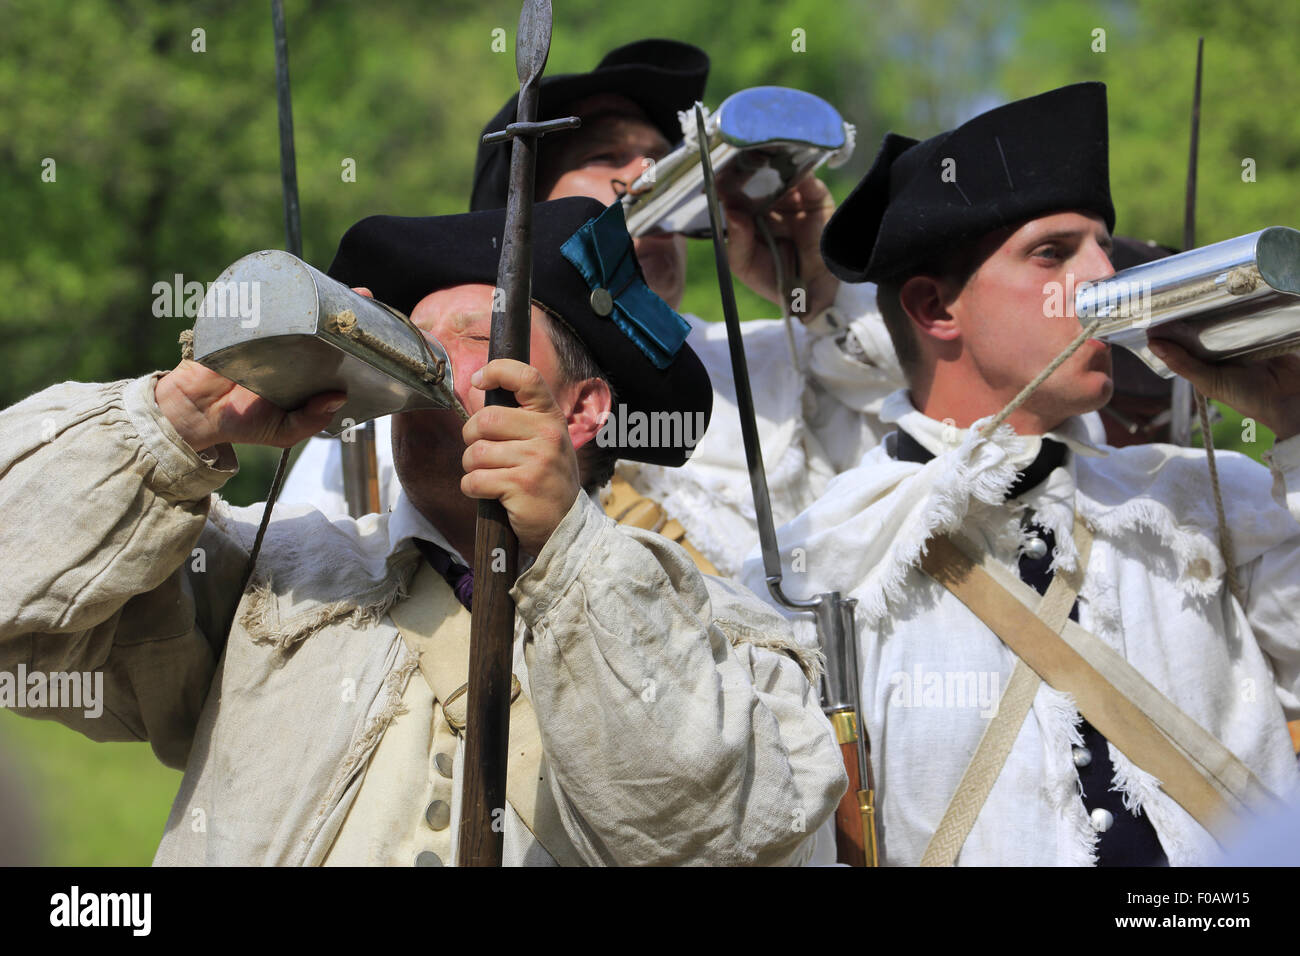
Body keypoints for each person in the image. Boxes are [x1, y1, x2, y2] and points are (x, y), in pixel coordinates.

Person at [0, 197, 845, 866]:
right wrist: (176, 424)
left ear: (584, 411)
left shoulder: (728, 638)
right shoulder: (267, 578)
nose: (426, 362)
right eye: (415, 337)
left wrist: (567, 557)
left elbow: (713, 838)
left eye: (474, 336)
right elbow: (21, 611)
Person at [745, 82, 1300, 866]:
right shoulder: (825, 564)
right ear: (936, 307)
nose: (1106, 279)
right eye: (1054, 253)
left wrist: (1296, 423)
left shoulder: (1207, 499)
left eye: (1102, 246)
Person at [279, 39, 906, 580]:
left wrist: (818, 291)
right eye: (605, 157)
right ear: (517, 217)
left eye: (660, 158)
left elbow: (947, 446)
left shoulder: (777, 360)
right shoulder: (394, 407)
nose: (643, 175)